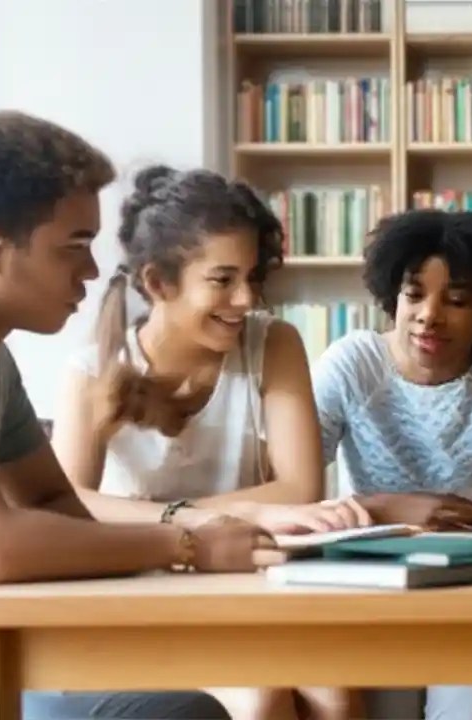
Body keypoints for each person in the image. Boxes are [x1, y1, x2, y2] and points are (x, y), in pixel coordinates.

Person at [0, 111, 273, 720]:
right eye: (74, 247)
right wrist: (189, 544)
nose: (93, 272)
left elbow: (51, 505)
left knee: (189, 709)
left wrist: (187, 553)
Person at [50, 165, 368, 720]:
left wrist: (166, 515)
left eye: (252, 276)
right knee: (261, 700)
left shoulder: (274, 344)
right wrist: (216, 516)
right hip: (143, 596)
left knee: (336, 693)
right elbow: (67, 503)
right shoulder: (92, 370)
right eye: (222, 280)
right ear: (158, 283)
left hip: (256, 583)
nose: (245, 299)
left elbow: (299, 488)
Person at [312, 208, 472, 720]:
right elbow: (295, 491)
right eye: (413, 294)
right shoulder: (352, 362)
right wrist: (387, 509)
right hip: (373, 583)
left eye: (457, 300)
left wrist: (409, 509)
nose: (428, 315)